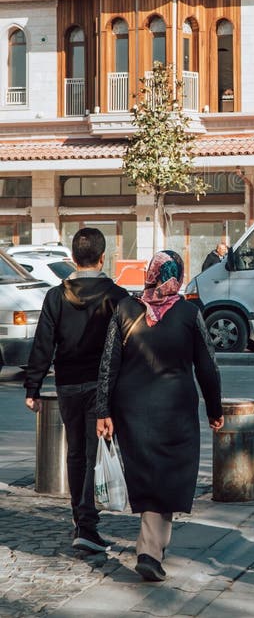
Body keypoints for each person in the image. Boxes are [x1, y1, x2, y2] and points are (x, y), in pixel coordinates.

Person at [96, 250, 223, 583]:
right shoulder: (189, 313)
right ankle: (150, 552)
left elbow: (108, 363)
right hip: (176, 411)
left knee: (147, 473)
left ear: (150, 274)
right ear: (176, 275)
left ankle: (151, 548)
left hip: (131, 410)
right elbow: (208, 366)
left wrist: (103, 410)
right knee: (167, 476)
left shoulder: (125, 309)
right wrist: (215, 409)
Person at [24, 228, 129, 552]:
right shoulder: (118, 296)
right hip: (103, 386)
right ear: (102, 258)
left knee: (76, 452)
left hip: (67, 384)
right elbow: (128, 347)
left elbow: (43, 343)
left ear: (72, 258)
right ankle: (87, 524)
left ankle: (80, 518)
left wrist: (33, 387)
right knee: (95, 451)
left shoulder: (56, 296)